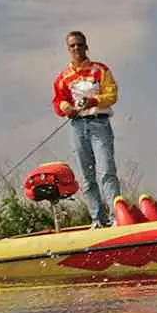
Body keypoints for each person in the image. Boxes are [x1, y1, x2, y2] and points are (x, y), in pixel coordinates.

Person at [52, 30, 121, 225]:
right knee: (87, 175)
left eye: (79, 45)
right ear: (68, 49)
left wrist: (93, 101)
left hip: (99, 123)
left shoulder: (100, 70)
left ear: (86, 46)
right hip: (77, 126)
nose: (76, 49)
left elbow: (112, 95)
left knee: (107, 170)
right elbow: (59, 101)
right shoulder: (63, 77)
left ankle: (116, 217)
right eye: (72, 46)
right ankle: (97, 219)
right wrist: (67, 108)